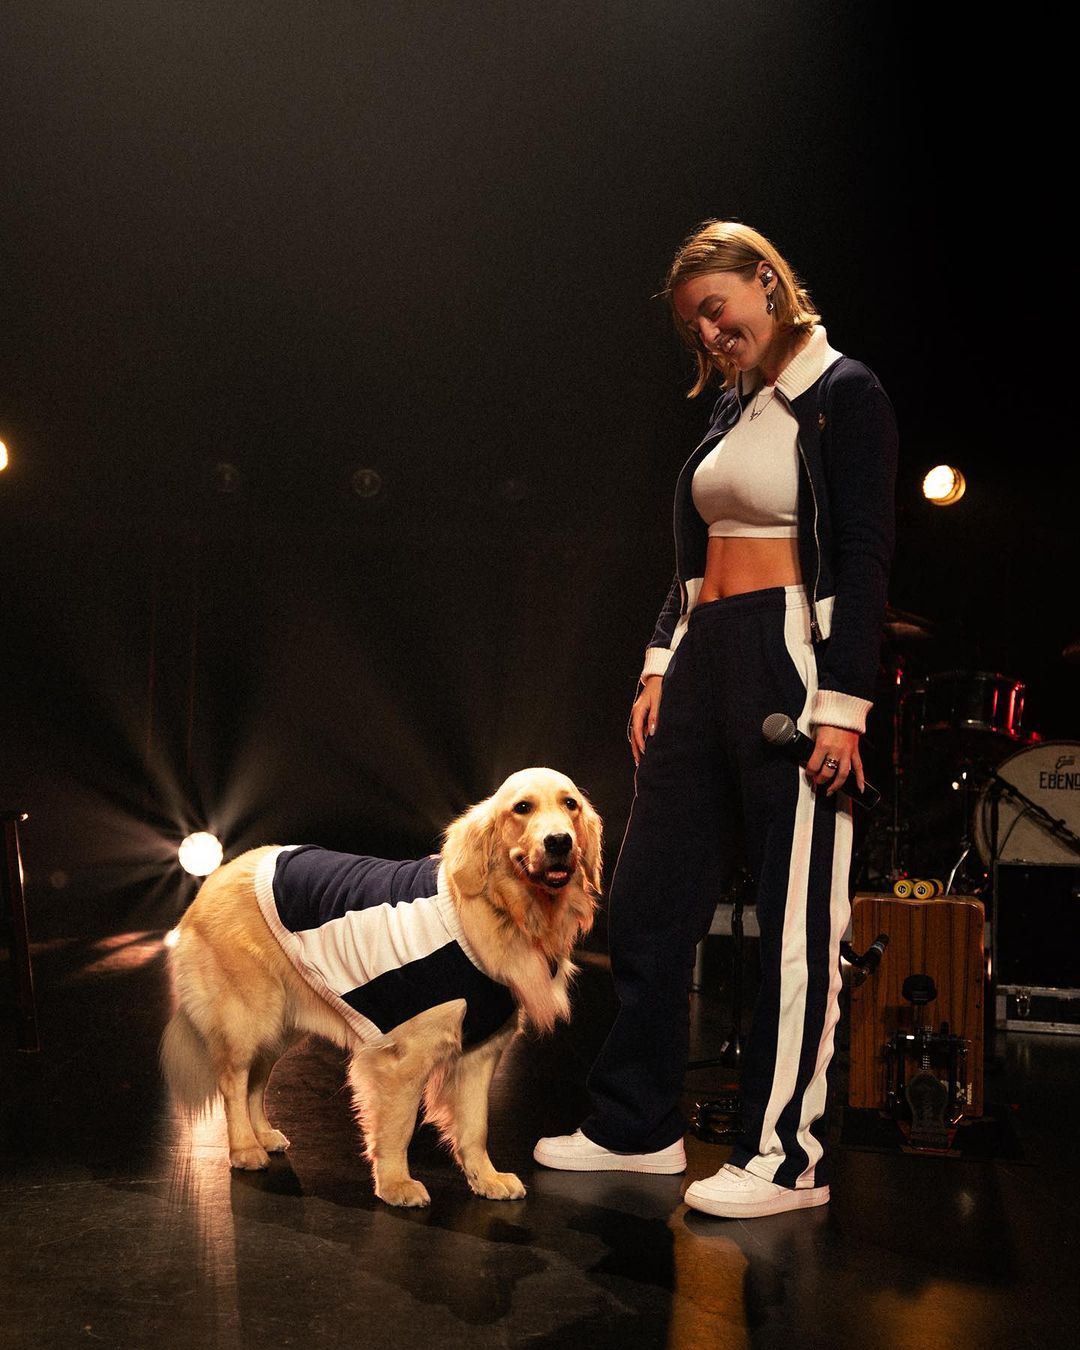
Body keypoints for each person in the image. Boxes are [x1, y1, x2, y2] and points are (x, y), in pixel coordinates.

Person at [533, 219, 898, 1218]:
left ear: (767, 282)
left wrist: (843, 706)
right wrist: (660, 664)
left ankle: (786, 1158)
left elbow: (860, 557)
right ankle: (634, 1125)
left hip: (792, 655)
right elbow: (691, 561)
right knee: (649, 900)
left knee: (793, 923)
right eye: (693, 322)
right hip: (704, 657)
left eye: (716, 307)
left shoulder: (841, 395)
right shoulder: (731, 415)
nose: (706, 332)